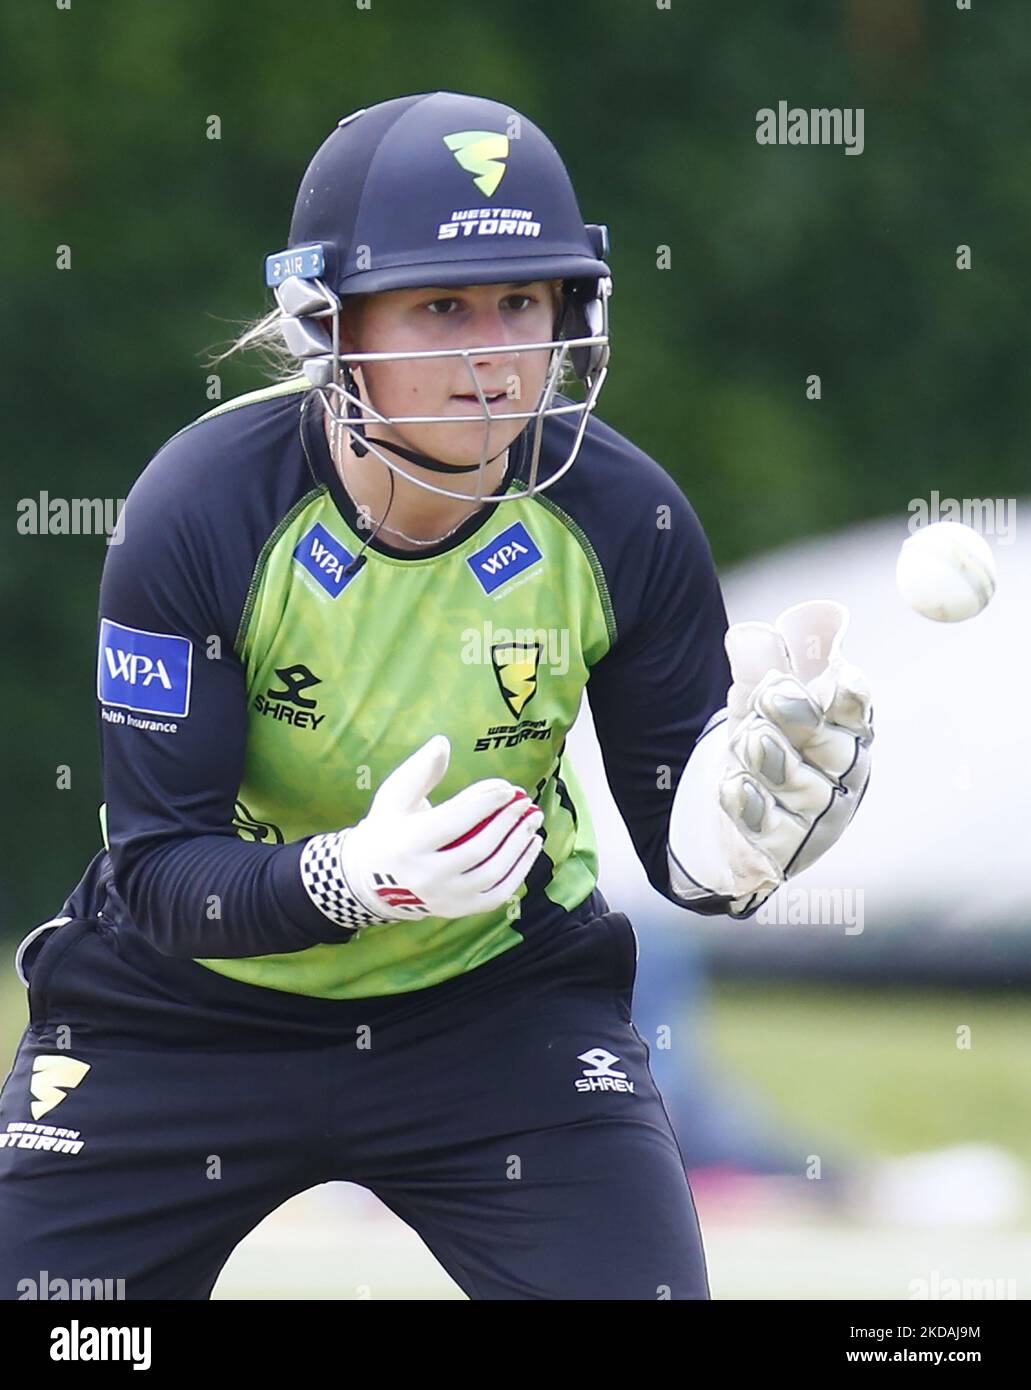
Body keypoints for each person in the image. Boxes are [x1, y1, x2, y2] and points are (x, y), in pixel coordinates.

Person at [0, 91, 874, 1301]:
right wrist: (345, 881)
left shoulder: (627, 517)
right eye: (439, 305)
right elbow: (156, 875)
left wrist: (738, 843)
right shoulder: (196, 508)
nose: (490, 353)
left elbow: (681, 857)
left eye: (521, 302)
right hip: (183, 1015)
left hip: (492, 1007)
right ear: (329, 325)